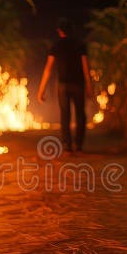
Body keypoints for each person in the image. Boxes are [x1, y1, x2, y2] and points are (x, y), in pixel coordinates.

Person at [37, 18, 93, 154]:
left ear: (59, 31)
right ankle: (78, 145)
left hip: (63, 85)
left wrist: (41, 90)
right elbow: (86, 67)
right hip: (78, 84)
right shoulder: (80, 45)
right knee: (80, 115)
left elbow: (48, 69)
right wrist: (89, 86)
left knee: (65, 114)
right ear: (72, 30)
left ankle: (68, 145)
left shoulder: (56, 46)